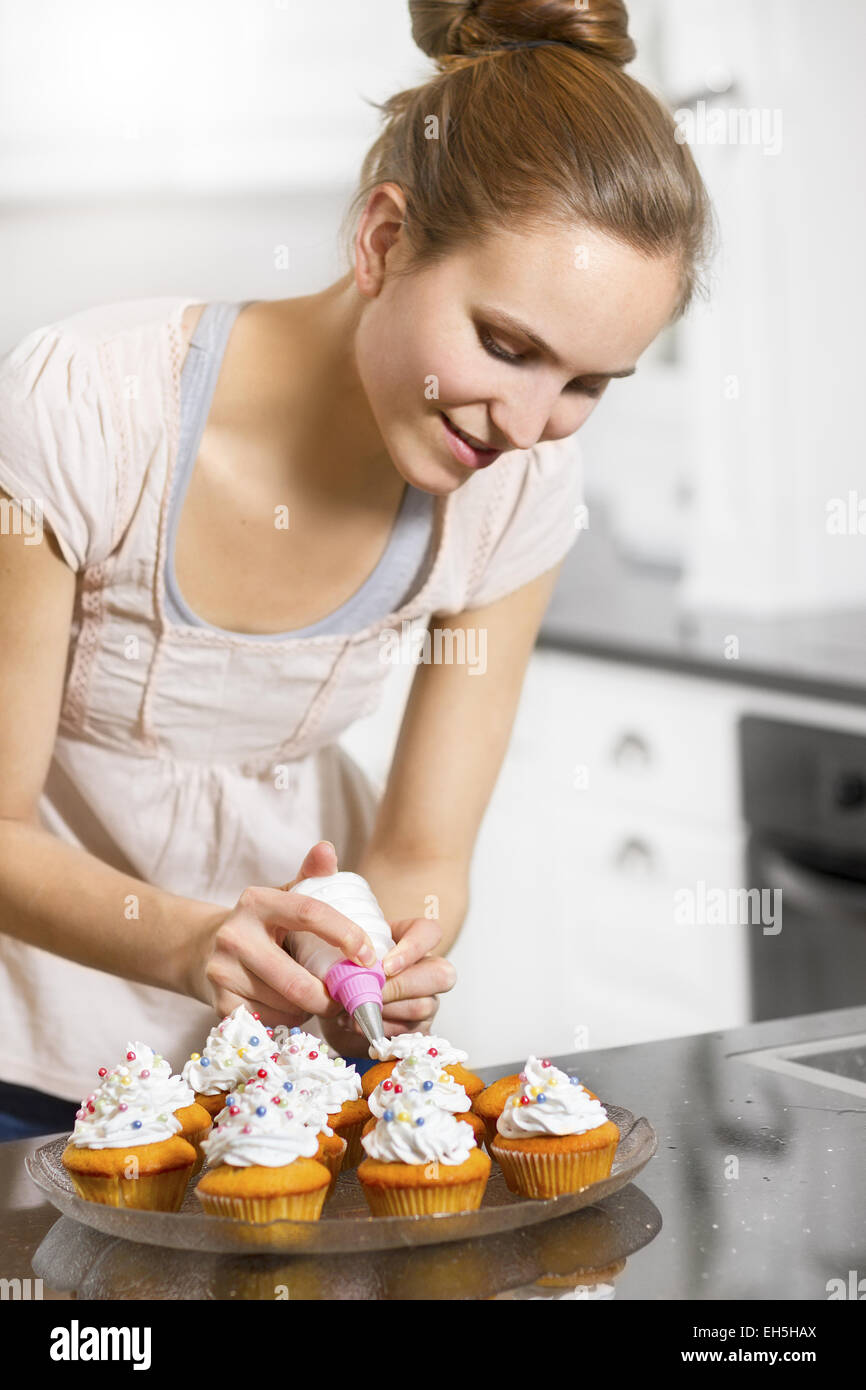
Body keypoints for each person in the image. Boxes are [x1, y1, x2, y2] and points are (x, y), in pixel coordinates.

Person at [0, 0, 714, 1139]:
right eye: (506, 346)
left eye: (589, 383)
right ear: (383, 240)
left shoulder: (518, 491)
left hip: (297, 1065)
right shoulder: (90, 405)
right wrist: (192, 940)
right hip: (35, 1051)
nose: (531, 422)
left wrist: (391, 953)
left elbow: (424, 849)